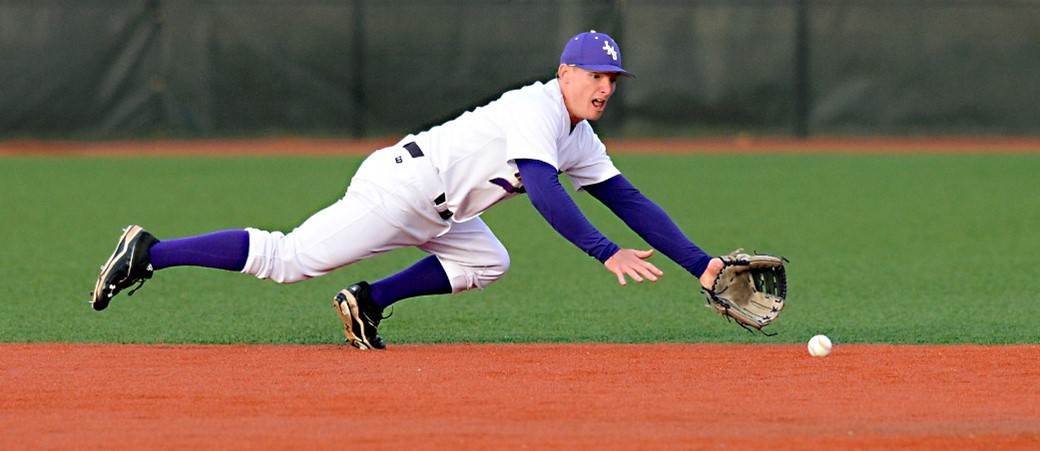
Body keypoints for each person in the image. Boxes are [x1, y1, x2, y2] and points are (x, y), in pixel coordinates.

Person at [90, 30, 724, 350]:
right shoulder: (537, 110)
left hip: (440, 210)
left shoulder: (578, 135)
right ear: (564, 73)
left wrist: (701, 265)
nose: (605, 87)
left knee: (488, 261)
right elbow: (543, 190)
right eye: (595, 74)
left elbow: (628, 199)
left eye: (612, 78)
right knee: (286, 261)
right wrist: (604, 252)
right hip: (400, 189)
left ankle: (366, 301)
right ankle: (150, 251)